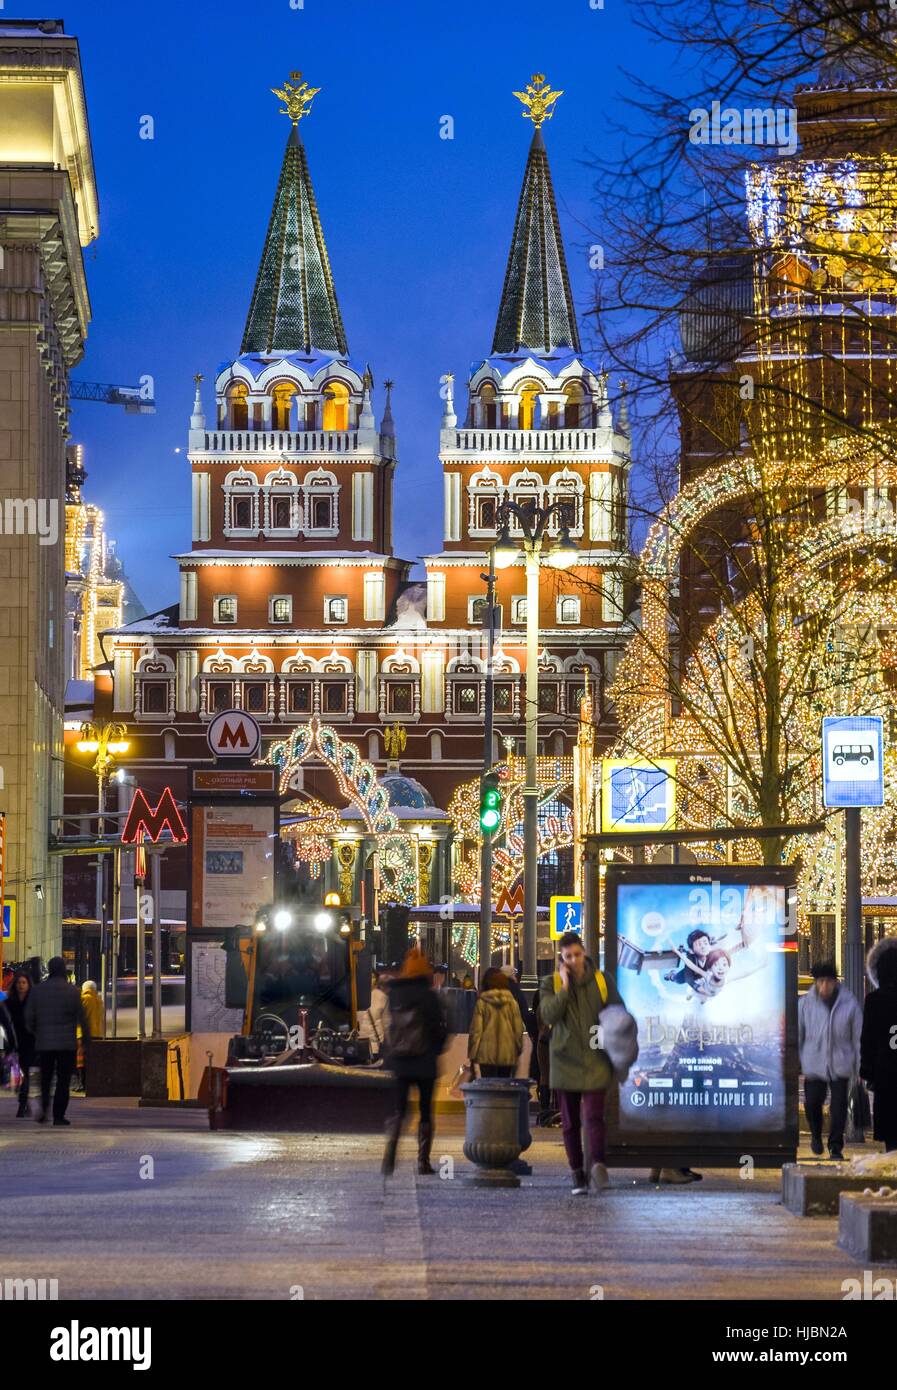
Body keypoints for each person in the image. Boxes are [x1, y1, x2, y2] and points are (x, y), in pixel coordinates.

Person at [539, 931, 623, 1195]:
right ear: (561, 958)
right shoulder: (550, 983)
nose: (574, 960)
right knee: (570, 1122)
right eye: (568, 956)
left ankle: (598, 1165)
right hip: (565, 1059)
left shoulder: (601, 980)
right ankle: (577, 1172)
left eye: (577, 954)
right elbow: (549, 1013)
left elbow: (618, 1012)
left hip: (596, 1058)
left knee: (595, 1116)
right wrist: (564, 987)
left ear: (584, 952)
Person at [382, 949, 447, 1177]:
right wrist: (436, 1049)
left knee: (399, 1111)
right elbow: (440, 1026)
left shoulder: (394, 995)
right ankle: (423, 1162)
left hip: (400, 1062)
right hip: (425, 1062)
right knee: (426, 1112)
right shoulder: (429, 996)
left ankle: (390, 1156)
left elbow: (389, 1027)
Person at [798, 960, 862, 1160]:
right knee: (813, 1103)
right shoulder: (805, 1004)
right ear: (816, 982)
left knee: (839, 1107)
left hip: (841, 1062)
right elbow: (799, 1034)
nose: (824, 986)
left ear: (836, 982)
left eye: (828, 981)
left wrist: (859, 1068)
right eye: (821, 981)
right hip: (813, 1062)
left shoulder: (849, 1004)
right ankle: (816, 1135)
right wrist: (798, 1061)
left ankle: (836, 1146)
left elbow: (858, 1038)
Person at [24, 956, 89, 1126]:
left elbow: (29, 1018)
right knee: (63, 1080)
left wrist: (37, 1033)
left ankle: (44, 1110)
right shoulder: (73, 991)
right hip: (66, 1044)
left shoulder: (37, 991)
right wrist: (86, 1041)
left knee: (45, 1079)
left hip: (44, 1043)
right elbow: (82, 1018)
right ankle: (59, 1116)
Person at [860, 939, 897, 1153]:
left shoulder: (875, 1001)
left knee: (891, 1135)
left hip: (885, 1076)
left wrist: (867, 1072)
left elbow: (868, 1039)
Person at [467, 968, 524, 1077]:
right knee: (504, 1088)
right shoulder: (512, 1003)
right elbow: (518, 1029)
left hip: (486, 1055)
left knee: (488, 1089)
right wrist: (518, 1049)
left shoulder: (482, 1003)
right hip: (507, 1054)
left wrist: (472, 1055)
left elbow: (476, 1031)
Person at [5, 970, 36, 1117]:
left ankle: (22, 1103)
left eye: (24, 983)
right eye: (19, 983)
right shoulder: (8, 1003)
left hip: (29, 1042)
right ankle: (23, 1100)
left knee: (25, 1073)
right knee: (17, 1074)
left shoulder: (34, 1002)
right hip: (13, 1042)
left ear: (29, 985)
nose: (21, 985)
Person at [75, 980, 105, 1092]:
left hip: (82, 1034)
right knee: (92, 1061)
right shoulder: (99, 1000)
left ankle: (82, 1084)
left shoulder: (84, 999)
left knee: (81, 1061)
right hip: (97, 1034)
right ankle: (91, 1084)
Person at [358, 966, 391, 1059]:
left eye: (372, 977)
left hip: (375, 1046)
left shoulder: (382, 997)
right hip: (356, 1045)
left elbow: (387, 1023)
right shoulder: (353, 995)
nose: (370, 980)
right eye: (367, 976)